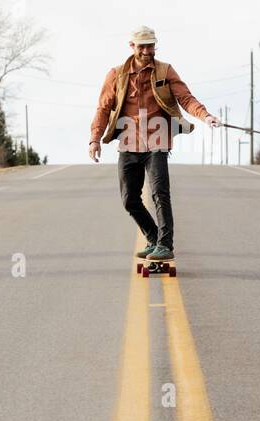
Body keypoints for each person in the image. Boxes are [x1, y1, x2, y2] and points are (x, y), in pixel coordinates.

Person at [88, 26, 220, 260]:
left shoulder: (165, 71)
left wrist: (205, 115)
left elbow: (185, 97)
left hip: (157, 140)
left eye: (151, 46)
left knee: (160, 193)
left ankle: (165, 245)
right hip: (128, 142)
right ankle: (153, 237)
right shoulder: (116, 75)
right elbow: (103, 108)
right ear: (132, 47)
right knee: (129, 199)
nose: (147, 51)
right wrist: (94, 139)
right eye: (142, 46)